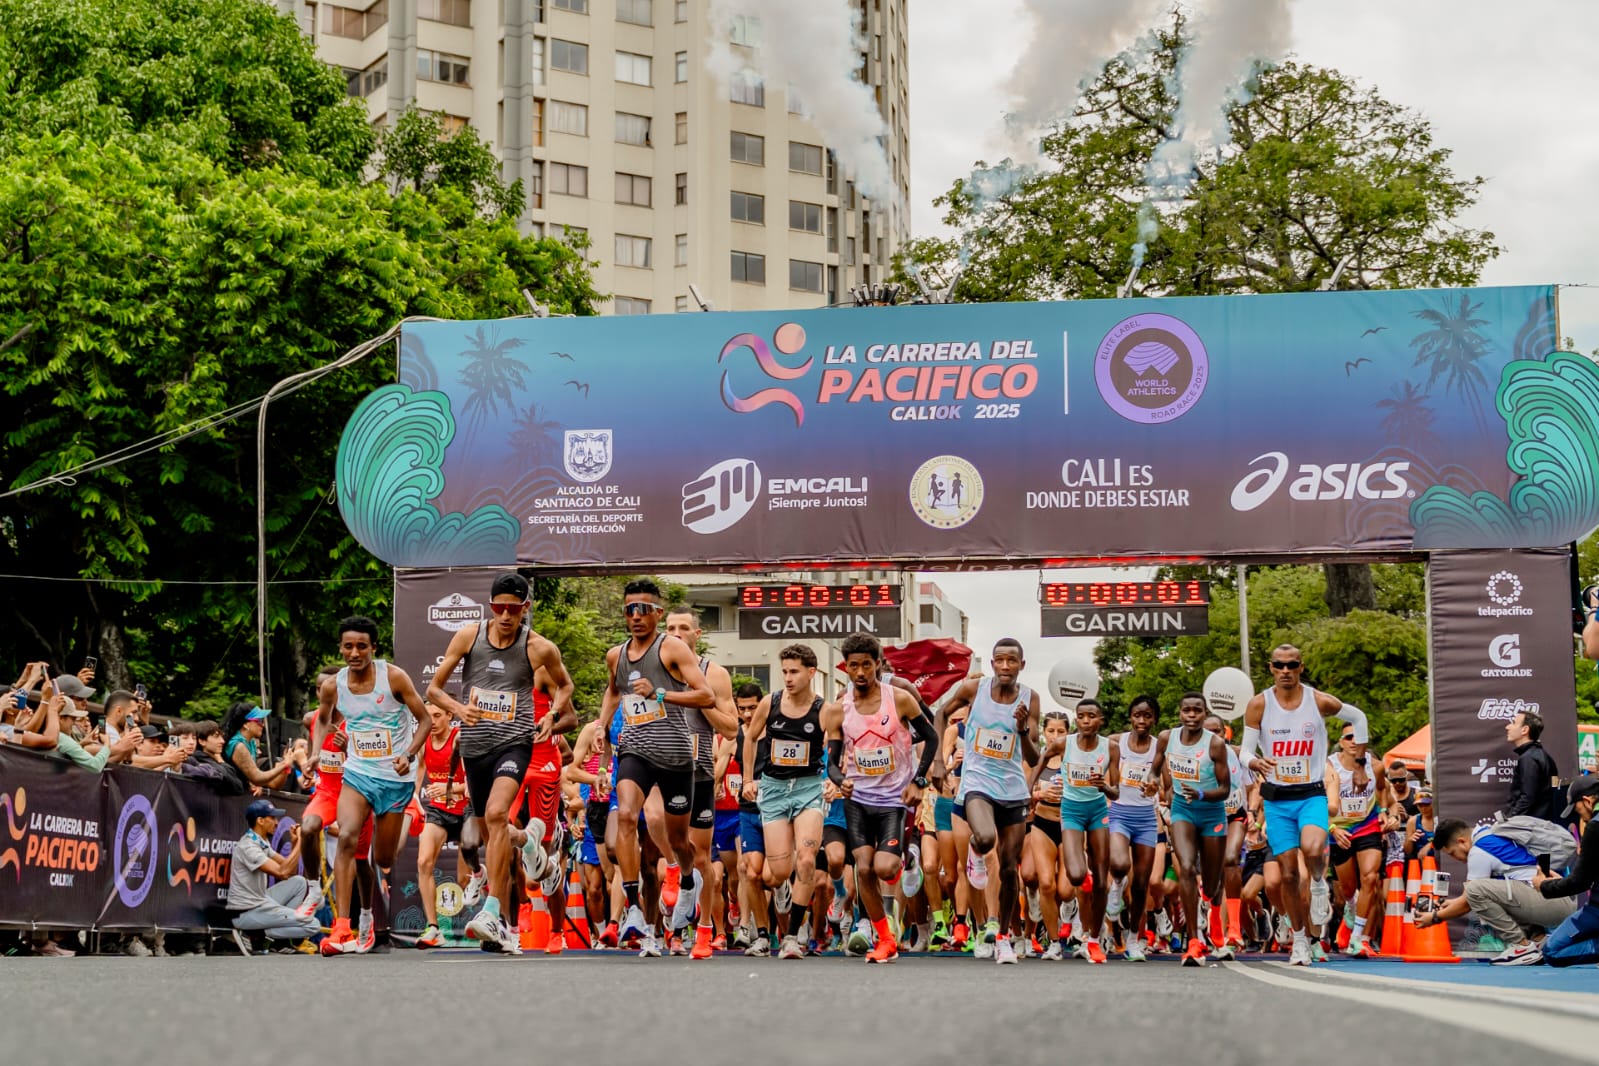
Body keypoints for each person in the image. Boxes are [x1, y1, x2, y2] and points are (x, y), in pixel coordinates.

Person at [426, 572, 576, 954]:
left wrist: (551, 714)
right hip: (476, 746)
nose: (506, 615)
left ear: (525, 608)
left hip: (515, 745)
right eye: (499, 607)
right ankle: (526, 850)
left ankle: (492, 909)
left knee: (496, 815)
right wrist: (459, 708)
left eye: (514, 608)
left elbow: (566, 686)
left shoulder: (539, 648)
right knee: (490, 834)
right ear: (490, 606)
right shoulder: (468, 636)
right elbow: (433, 689)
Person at [597, 579, 715, 955]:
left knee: (681, 844)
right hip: (635, 750)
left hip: (677, 757)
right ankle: (632, 907)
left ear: (657, 614)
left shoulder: (672, 648)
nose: (635, 617)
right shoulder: (617, 655)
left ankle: (686, 880)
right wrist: (602, 727)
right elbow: (614, 691)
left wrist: (661, 693)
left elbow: (705, 694)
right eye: (629, 610)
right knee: (628, 817)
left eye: (643, 609)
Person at [1240, 644, 1372, 966]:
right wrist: (1254, 762)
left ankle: (1318, 885)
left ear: (1300, 667)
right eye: (1279, 665)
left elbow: (1358, 716)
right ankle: (1299, 940)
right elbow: (1244, 752)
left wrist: (1359, 765)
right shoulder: (1259, 705)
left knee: (1313, 849)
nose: (1285, 670)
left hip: (1311, 793)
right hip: (1277, 799)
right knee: (1286, 875)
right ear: (1271, 668)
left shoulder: (1317, 701)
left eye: (1292, 665)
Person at [312, 616, 431, 955]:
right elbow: (322, 719)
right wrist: (316, 754)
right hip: (358, 772)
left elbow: (423, 719)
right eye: (348, 646)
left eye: (361, 646)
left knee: (384, 855)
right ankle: (342, 929)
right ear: (340, 647)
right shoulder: (333, 685)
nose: (354, 652)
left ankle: (365, 916)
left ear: (373, 648)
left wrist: (408, 754)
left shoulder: (393, 677)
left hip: (395, 778)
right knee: (347, 836)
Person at [826, 634, 941, 964]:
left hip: (894, 798)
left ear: (878, 664)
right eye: (853, 666)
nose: (860, 672)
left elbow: (931, 737)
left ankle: (907, 859)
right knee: (863, 870)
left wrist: (919, 780)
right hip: (858, 798)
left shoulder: (900, 699)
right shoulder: (838, 710)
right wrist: (839, 780)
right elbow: (831, 761)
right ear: (846, 668)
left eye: (866, 664)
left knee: (885, 867)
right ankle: (885, 939)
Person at [935, 639, 1040, 964]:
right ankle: (977, 857)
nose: (1005, 666)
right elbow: (940, 713)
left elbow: (1034, 756)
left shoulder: (1029, 698)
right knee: (983, 837)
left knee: (1009, 870)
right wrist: (939, 760)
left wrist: (1022, 729)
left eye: (1012, 661)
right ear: (993, 663)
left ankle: (1004, 936)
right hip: (977, 782)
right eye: (1000, 660)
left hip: (1012, 789)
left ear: (1022, 665)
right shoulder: (973, 689)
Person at [741, 643, 832, 960]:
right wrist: (749, 779)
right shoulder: (771, 703)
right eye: (784, 672)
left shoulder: (824, 709)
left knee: (806, 860)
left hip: (808, 788)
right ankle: (785, 884)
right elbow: (751, 738)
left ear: (811, 673)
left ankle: (792, 937)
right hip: (774, 788)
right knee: (777, 872)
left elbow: (837, 749)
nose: (788, 678)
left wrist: (832, 780)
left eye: (794, 672)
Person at [664, 606, 739, 959]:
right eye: (670, 628)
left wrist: (703, 696)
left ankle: (704, 930)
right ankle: (671, 923)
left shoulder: (716, 674)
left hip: (700, 775)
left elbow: (730, 728)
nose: (676, 634)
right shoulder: (652, 672)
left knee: (702, 856)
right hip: (661, 771)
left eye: (683, 628)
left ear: (697, 634)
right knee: (670, 850)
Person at [1427, 816, 1577, 965]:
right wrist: (1452, 903)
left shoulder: (1479, 850)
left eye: (1452, 853)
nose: (1455, 858)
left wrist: (1434, 917)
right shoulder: (1491, 834)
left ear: (1462, 841)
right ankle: (1538, 940)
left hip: (1552, 903)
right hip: (1559, 900)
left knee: (1475, 890)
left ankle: (1521, 947)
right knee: (1495, 890)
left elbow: (1468, 900)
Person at [1152, 693, 1231, 966]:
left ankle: (1213, 914)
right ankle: (1194, 941)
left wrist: (1200, 793)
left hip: (1211, 814)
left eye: (1197, 711)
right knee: (1186, 867)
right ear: (1180, 713)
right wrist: (1153, 784)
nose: (1192, 715)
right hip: (1182, 811)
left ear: (1204, 712)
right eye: (1187, 710)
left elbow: (1225, 790)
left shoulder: (1216, 745)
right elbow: (1154, 768)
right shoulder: (1167, 738)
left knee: (1210, 884)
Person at [1047, 698, 1120, 964]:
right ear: (1076, 719)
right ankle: (1082, 881)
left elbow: (1117, 791)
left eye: (1092, 716)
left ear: (1101, 720)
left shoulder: (1110, 747)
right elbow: (1039, 760)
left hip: (1098, 811)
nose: (1086, 720)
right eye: (1081, 716)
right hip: (1072, 811)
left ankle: (1092, 939)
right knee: (1076, 875)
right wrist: (1028, 793)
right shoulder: (1064, 744)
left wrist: (1104, 787)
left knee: (1101, 882)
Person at [415, 701, 482, 948]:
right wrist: (413, 800)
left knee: (463, 879)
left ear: (449, 716)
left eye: (437, 715)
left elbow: (473, 785)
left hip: (465, 809)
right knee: (423, 862)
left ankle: (480, 878)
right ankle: (433, 929)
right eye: (428, 716)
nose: (432, 721)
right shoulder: (423, 742)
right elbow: (419, 771)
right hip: (439, 810)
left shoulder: (459, 739)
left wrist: (449, 788)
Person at [1326, 725, 1391, 957]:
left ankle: (1358, 938)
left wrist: (1384, 810)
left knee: (1370, 878)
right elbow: (1316, 802)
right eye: (1348, 737)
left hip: (1367, 827)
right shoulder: (1330, 767)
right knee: (1348, 889)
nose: (1354, 741)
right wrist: (1332, 828)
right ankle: (1351, 911)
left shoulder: (1376, 766)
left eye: (1358, 737)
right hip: (1340, 830)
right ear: (1341, 742)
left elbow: (1384, 791)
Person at [1106, 696, 1160, 961]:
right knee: (1117, 863)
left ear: (1154, 720)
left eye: (1147, 716)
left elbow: (1165, 781)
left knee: (1141, 884)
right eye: (1137, 715)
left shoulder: (1159, 747)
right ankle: (1116, 883)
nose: (1142, 720)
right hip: (1118, 812)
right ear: (1130, 717)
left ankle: (1134, 939)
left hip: (1146, 819)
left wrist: (1156, 786)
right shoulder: (1116, 741)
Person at [226, 799, 322, 946]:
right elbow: (282, 872)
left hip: (260, 900)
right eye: (272, 818)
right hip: (246, 911)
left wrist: (295, 842)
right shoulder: (248, 846)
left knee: (299, 882)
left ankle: (274, 929)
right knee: (313, 924)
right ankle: (258, 934)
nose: (277, 823)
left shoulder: (261, 841)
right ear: (260, 821)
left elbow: (290, 872)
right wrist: (302, 841)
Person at [1535, 777, 1599, 965]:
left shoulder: (1595, 827)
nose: (1581, 818)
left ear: (1587, 801)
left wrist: (1545, 885)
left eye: (1578, 810)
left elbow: (1579, 882)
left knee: (1552, 951)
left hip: (1596, 910)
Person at [732, 682, 773, 955]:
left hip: (776, 809)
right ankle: (756, 931)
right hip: (747, 809)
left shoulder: (776, 732)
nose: (748, 715)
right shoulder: (736, 735)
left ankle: (783, 900)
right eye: (742, 709)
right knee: (749, 870)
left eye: (753, 708)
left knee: (773, 876)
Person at [222, 703, 294, 792]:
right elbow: (257, 778)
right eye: (259, 721)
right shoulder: (238, 746)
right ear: (246, 724)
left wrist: (285, 769)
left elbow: (274, 785)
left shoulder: (251, 743)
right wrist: (283, 765)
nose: (263, 725)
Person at [1505, 709, 1560, 822]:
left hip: (1529, 828)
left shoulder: (1529, 758)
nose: (1508, 727)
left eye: (1514, 723)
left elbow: (1527, 797)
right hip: (1539, 825)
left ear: (1525, 730)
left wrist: (1509, 821)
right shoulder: (1543, 756)